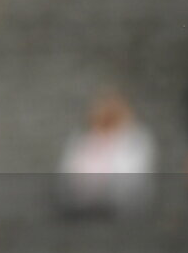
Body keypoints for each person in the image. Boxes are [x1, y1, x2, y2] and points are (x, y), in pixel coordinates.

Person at [57, 88, 156, 217]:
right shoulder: (82, 138)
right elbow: (68, 174)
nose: (104, 112)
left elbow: (133, 178)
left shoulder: (137, 139)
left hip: (122, 212)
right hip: (82, 211)